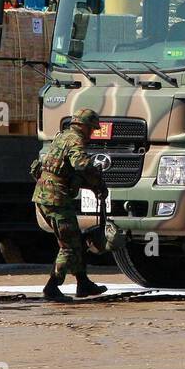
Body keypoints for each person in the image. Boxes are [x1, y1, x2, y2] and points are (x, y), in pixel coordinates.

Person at [31, 108, 109, 302]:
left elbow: (64, 170)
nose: (91, 134)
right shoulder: (76, 139)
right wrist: (97, 178)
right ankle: (52, 287)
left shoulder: (62, 137)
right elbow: (80, 164)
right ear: (83, 125)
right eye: (91, 129)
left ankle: (83, 283)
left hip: (45, 195)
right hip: (56, 199)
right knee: (69, 246)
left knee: (75, 241)